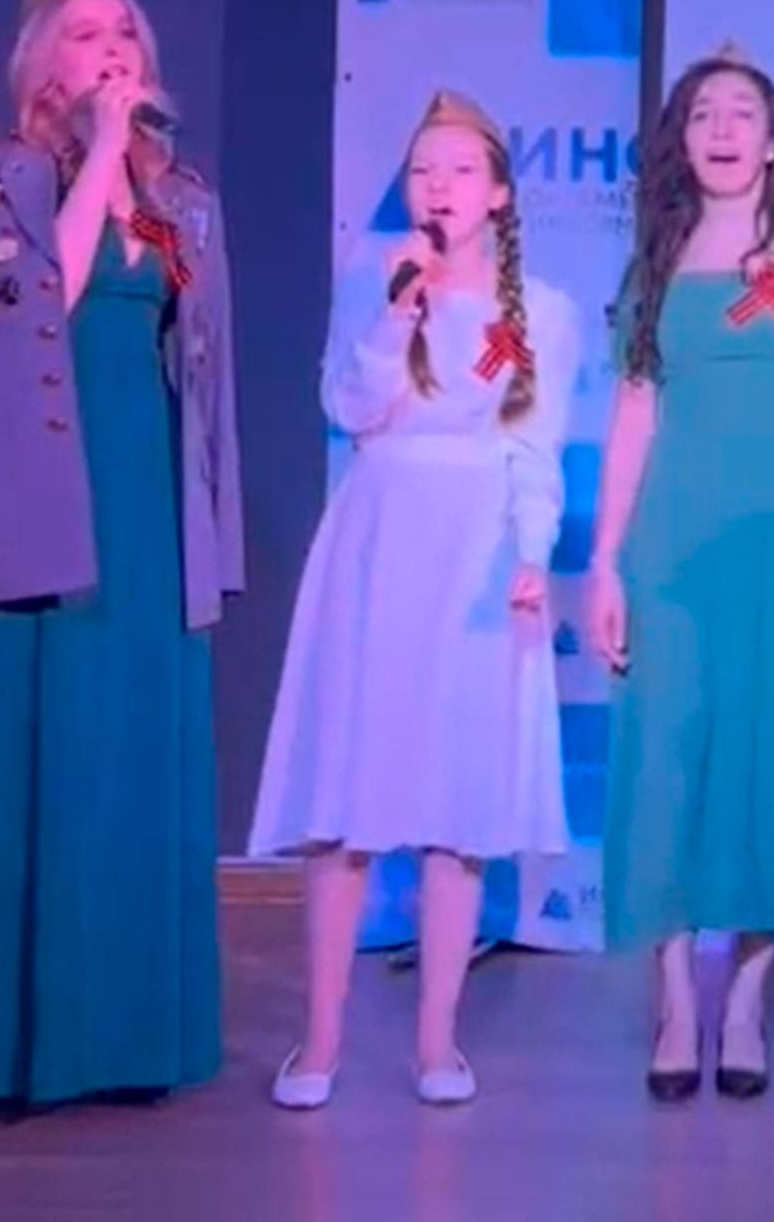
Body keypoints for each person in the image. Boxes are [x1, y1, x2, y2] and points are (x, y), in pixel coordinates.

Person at [0, 0, 243, 1124]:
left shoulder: (185, 203)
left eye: (127, 33)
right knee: (31, 758)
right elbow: (28, 302)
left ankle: (128, 1036)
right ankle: (5, 1052)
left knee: (129, 756)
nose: (114, 51)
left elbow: (210, 382)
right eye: (88, 35)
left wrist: (216, 537)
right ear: (42, 65)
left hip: (143, 502)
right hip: (25, 499)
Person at [250, 89, 577, 1109]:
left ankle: (439, 1042)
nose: (439, 188)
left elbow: (534, 446)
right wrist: (399, 311)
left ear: (499, 194)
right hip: (379, 541)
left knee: (457, 802)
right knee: (346, 800)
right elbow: (350, 406)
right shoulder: (375, 276)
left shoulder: (542, 313)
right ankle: (319, 1043)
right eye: (423, 170)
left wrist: (533, 553)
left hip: (477, 551)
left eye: (460, 170)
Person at [587, 46, 774, 1104]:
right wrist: (605, 561)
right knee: (667, 760)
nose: (721, 128)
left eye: (742, 111)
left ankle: (747, 1000)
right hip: (672, 548)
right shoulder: (656, 262)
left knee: (768, 761)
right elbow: (633, 412)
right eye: (703, 111)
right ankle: (674, 1000)